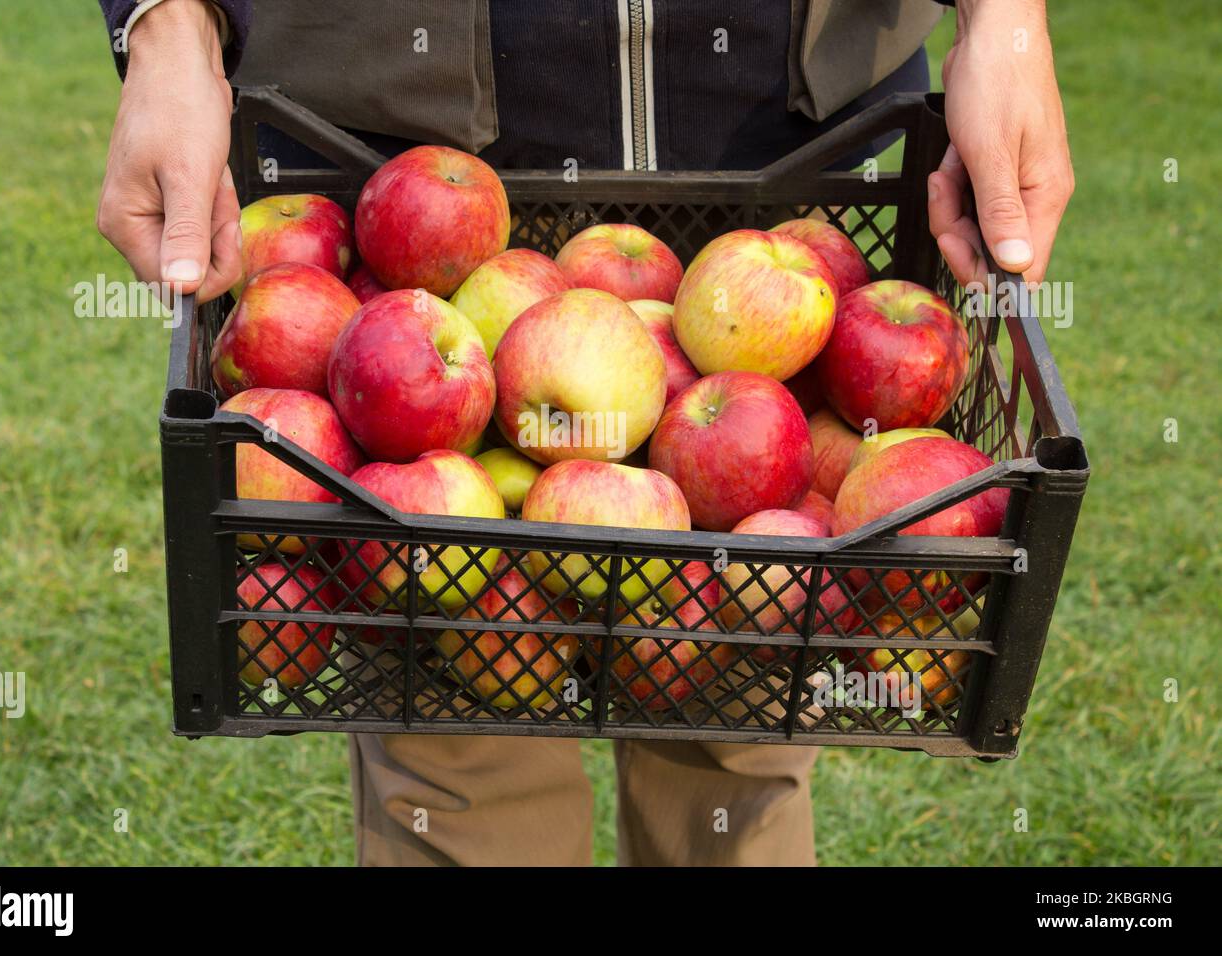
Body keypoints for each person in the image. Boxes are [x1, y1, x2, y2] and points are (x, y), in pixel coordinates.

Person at [96, 0, 1073, 866]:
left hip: (783, 168)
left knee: (738, 739)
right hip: (422, 188)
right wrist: (165, 22)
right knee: (460, 754)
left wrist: (1006, 16)